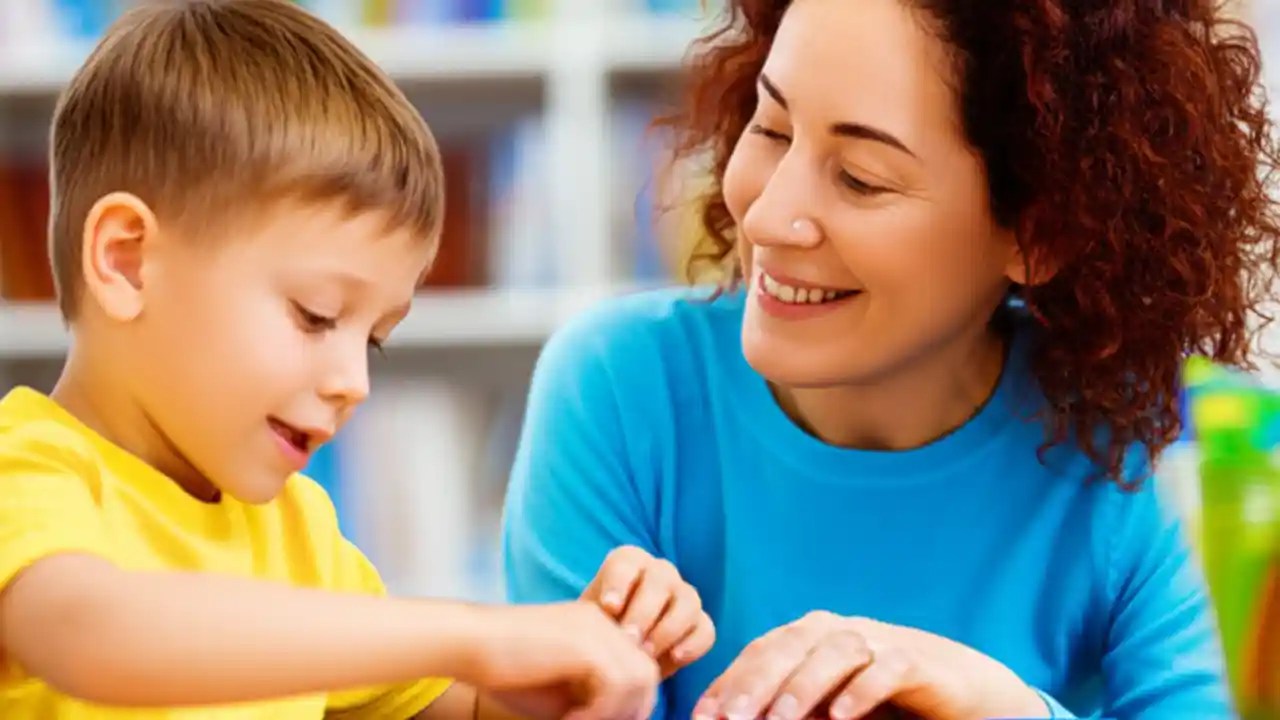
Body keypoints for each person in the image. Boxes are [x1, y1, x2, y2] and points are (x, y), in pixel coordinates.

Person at [501, 0, 1280, 718]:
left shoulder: (1135, 447)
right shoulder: (621, 391)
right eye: (771, 129)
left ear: (1042, 230)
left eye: (860, 178)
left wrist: (997, 707)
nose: (768, 215)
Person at [0, 1, 714, 718]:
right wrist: (474, 635)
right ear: (128, 263)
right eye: (315, 315)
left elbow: (464, 710)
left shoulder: (298, 528)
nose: (354, 384)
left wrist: (578, 657)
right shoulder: (28, 471)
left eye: (372, 340)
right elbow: (94, 632)